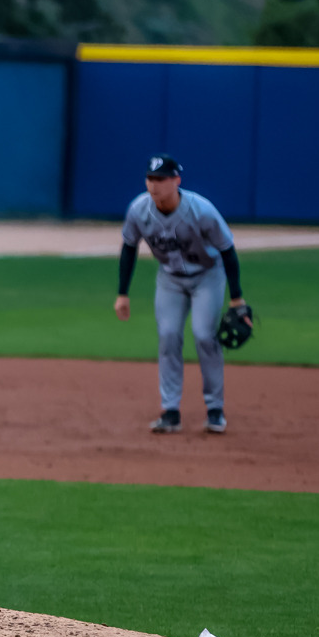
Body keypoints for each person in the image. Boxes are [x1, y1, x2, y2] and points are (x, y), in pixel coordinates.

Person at [115, 155, 250, 434]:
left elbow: (227, 249)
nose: (154, 185)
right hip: (170, 279)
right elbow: (129, 246)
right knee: (168, 336)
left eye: (161, 179)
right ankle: (170, 411)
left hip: (207, 277)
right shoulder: (139, 210)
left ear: (176, 181)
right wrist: (122, 293)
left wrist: (237, 298)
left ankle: (215, 410)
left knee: (204, 336)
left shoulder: (201, 210)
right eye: (150, 179)